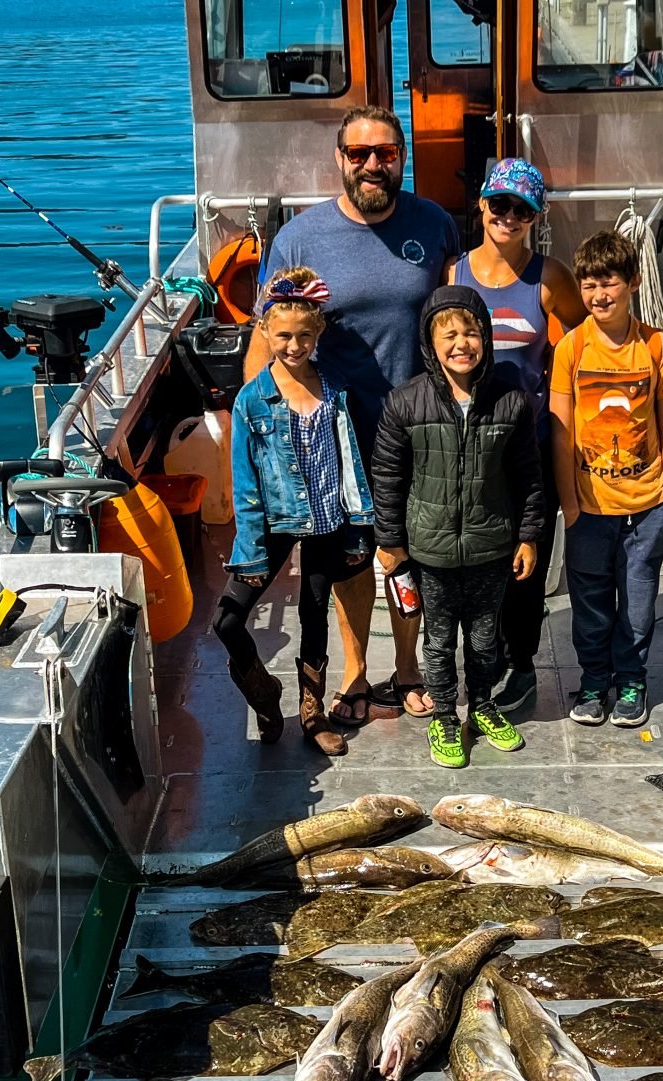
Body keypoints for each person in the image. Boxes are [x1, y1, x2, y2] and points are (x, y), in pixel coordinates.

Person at [244, 105, 459, 726]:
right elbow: (270, 338)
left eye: (385, 153)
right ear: (340, 159)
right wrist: (255, 432)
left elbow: (455, 316)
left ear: (401, 157)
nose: (372, 164)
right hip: (332, 433)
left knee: (411, 554)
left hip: (420, 427)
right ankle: (357, 671)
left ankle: (411, 668)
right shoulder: (300, 239)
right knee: (351, 558)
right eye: (359, 153)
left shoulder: (434, 224)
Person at [372, 285, 544, 769]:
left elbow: (529, 474)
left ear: (486, 337)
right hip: (430, 550)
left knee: (487, 638)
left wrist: (528, 536)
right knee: (440, 639)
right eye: (448, 334)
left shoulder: (511, 401)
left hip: (492, 546)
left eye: (471, 331)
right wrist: (390, 540)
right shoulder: (405, 403)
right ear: (430, 343)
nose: (461, 343)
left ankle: (483, 704)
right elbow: (387, 475)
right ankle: (446, 715)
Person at [215, 268, 374, 758]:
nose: (293, 345)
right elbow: (244, 481)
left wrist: (358, 528)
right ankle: (264, 695)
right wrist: (253, 550)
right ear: (264, 331)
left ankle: (313, 710)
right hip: (277, 522)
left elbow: (350, 461)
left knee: (315, 612)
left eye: (304, 335)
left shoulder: (334, 389)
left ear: (318, 333)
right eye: (283, 335)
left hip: (328, 519)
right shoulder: (251, 400)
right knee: (227, 620)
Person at [449, 157, 585, 714]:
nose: (508, 216)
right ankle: (481, 658)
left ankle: (521, 662)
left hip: (527, 445)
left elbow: (589, 340)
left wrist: (657, 352)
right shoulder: (453, 274)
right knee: (476, 559)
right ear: (481, 205)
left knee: (527, 558)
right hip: (469, 446)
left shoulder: (548, 278)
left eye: (521, 209)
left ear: (536, 216)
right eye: (499, 204)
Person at [551, 231, 663, 730]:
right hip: (588, 506)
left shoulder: (657, 346)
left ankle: (632, 679)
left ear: (633, 283)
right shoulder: (571, 349)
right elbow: (561, 434)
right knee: (589, 602)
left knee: (639, 598)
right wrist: (570, 503)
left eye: (609, 283)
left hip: (647, 503)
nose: (599, 295)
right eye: (588, 285)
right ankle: (592, 681)